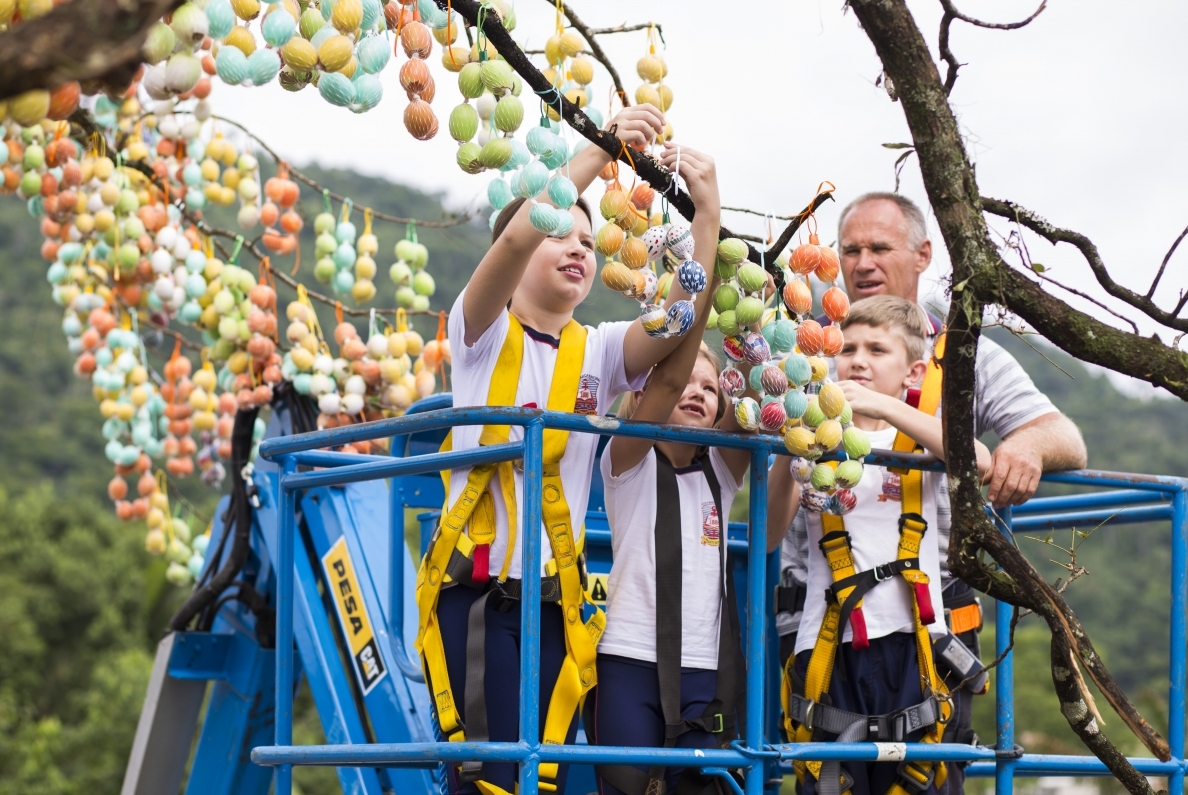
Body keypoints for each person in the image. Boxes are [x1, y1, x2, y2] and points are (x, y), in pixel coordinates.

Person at [414, 102, 722, 795]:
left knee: (541, 777)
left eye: (590, 240)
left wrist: (707, 223)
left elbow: (677, 320)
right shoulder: (480, 334)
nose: (580, 248)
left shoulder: (599, 350)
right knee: (488, 776)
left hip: (557, 604)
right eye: (565, 235)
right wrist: (601, 149)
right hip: (483, 597)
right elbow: (523, 231)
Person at [773, 192, 1087, 794]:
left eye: (879, 248)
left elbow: (1061, 436)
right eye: (851, 250)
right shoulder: (808, 358)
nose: (862, 263)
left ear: (922, 255)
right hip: (817, 622)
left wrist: (1025, 448)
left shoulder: (959, 358)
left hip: (925, 623)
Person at [587, 166, 770, 794]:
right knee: (624, 783)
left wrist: (753, 301)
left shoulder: (721, 467)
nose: (695, 393)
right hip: (627, 658)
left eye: (708, 388)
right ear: (642, 397)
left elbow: (760, 390)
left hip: (705, 666)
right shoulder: (626, 459)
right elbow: (666, 374)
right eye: (683, 383)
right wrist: (705, 224)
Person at [774, 295, 993, 795]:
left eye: (877, 349)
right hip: (831, 649)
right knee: (832, 777)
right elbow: (769, 534)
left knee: (921, 778)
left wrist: (883, 406)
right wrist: (790, 446)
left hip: (915, 648)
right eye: (847, 348)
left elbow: (978, 460)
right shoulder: (812, 443)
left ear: (913, 372)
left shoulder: (918, 440)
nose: (858, 360)